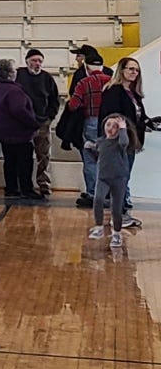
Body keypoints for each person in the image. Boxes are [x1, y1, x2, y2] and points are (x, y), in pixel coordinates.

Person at [99, 56, 146, 231]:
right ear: (122, 70)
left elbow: (137, 116)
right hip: (119, 142)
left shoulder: (133, 93)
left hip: (131, 141)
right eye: (131, 69)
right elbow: (113, 118)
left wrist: (148, 122)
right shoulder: (113, 91)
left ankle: (122, 213)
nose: (134, 73)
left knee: (124, 177)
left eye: (137, 70)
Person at [0, 59, 40, 201]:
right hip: (18, 132)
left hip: (2, 131)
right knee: (24, 162)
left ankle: (11, 188)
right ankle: (26, 189)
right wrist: (34, 124)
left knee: (9, 161)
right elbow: (18, 110)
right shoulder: (14, 90)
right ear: (10, 73)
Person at [68, 48, 112, 209]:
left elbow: (73, 105)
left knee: (90, 159)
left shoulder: (83, 82)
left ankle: (93, 193)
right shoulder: (112, 81)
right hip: (110, 123)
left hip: (91, 121)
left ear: (87, 67)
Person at [19, 49, 61, 198]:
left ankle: (44, 183)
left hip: (42, 122)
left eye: (40, 61)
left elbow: (54, 100)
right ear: (27, 61)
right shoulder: (19, 75)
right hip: (23, 122)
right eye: (34, 60)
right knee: (22, 155)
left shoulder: (47, 78)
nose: (37, 64)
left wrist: (50, 117)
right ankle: (23, 184)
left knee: (44, 155)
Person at [90, 114, 133, 248]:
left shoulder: (120, 143)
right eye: (108, 125)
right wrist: (89, 148)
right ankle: (99, 227)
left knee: (116, 208)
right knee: (98, 199)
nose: (110, 128)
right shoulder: (100, 142)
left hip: (119, 179)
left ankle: (117, 233)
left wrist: (123, 128)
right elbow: (97, 157)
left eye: (115, 126)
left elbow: (124, 142)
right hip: (103, 178)